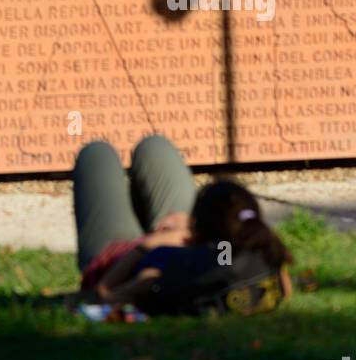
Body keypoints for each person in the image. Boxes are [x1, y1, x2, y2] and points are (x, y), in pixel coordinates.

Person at [74, 135, 291, 315]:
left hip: (120, 258)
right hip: (194, 246)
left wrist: (146, 245)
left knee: (97, 153)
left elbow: (139, 281)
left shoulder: (180, 263)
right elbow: (283, 287)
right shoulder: (262, 251)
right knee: (154, 146)